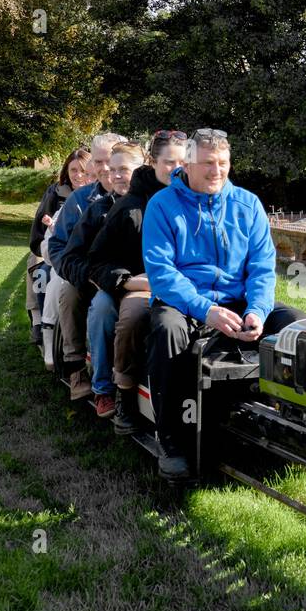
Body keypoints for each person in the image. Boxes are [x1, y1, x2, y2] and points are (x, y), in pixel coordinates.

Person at [142, 128, 305, 479]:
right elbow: (162, 273)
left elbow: (262, 267)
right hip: (185, 303)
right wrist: (206, 310)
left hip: (240, 301)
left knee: (296, 325)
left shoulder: (247, 204)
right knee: (166, 329)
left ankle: (294, 427)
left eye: (223, 163)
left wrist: (257, 311)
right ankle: (170, 439)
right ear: (186, 164)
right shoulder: (161, 206)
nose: (217, 171)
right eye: (208, 164)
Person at [86, 130, 186, 434]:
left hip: (188, 286)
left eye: (183, 161)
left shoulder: (196, 197)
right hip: (142, 287)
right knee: (131, 319)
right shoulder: (129, 207)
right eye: (169, 162)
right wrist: (128, 282)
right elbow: (97, 260)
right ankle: (124, 393)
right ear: (153, 162)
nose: (177, 168)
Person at [61, 140, 144, 415]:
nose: (115, 174)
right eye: (112, 168)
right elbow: (72, 256)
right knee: (102, 309)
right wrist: (98, 280)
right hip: (108, 284)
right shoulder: (97, 209)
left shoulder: (156, 205)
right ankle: (103, 388)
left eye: (124, 169)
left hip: (149, 284)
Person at [47, 133, 121, 397]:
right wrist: (86, 275)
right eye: (98, 161)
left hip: (127, 278)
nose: (104, 168)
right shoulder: (81, 201)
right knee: (68, 292)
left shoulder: (142, 196)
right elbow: (58, 248)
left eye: (110, 160)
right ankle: (75, 363)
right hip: (87, 278)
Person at [26, 149, 86, 347]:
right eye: (73, 170)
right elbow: (39, 232)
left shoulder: (96, 193)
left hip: (77, 255)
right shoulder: (56, 192)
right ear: (66, 172)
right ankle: (38, 320)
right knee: (38, 270)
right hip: (50, 248)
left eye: (83, 170)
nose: (78, 175)